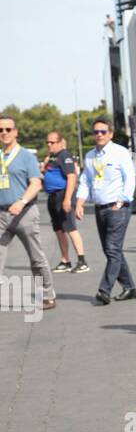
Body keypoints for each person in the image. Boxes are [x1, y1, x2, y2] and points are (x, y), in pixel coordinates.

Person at [76, 117, 136, 305]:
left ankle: (104, 289)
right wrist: (79, 202)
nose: (99, 135)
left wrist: (121, 201)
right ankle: (129, 287)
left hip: (117, 207)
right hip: (99, 207)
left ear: (110, 134)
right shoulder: (89, 156)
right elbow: (85, 181)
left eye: (103, 131)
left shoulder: (119, 153)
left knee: (112, 249)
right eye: (96, 132)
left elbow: (130, 178)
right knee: (111, 249)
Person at [0, 115, 56, 309]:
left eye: (8, 129)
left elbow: (36, 183)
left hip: (24, 214)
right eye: (1, 130)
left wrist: (21, 201)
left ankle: (47, 295)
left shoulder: (26, 156)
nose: (4, 133)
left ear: (15, 132)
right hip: (1, 215)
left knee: (36, 257)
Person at [43, 132, 88, 272]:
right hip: (53, 196)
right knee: (59, 229)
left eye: (52, 142)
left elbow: (71, 177)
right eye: (48, 142)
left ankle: (82, 261)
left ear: (60, 142)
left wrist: (67, 199)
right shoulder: (52, 157)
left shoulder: (64, 155)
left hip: (63, 195)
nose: (49, 145)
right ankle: (65, 260)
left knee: (70, 228)